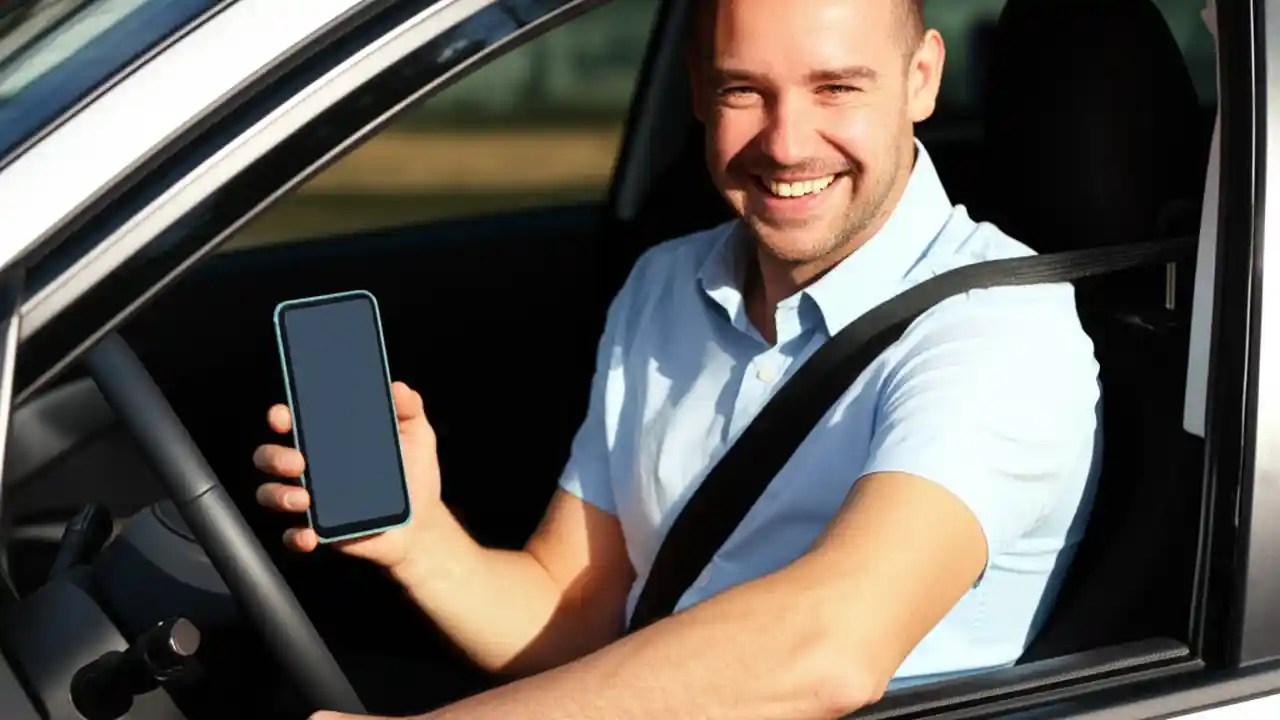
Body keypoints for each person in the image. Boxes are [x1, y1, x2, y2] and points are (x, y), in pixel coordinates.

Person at [254, 0, 1101, 717]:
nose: (786, 143)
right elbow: (575, 616)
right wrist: (420, 539)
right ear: (698, 89)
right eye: (743, 90)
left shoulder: (1000, 330)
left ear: (921, 78)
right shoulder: (665, 285)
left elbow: (829, 646)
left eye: (836, 87)